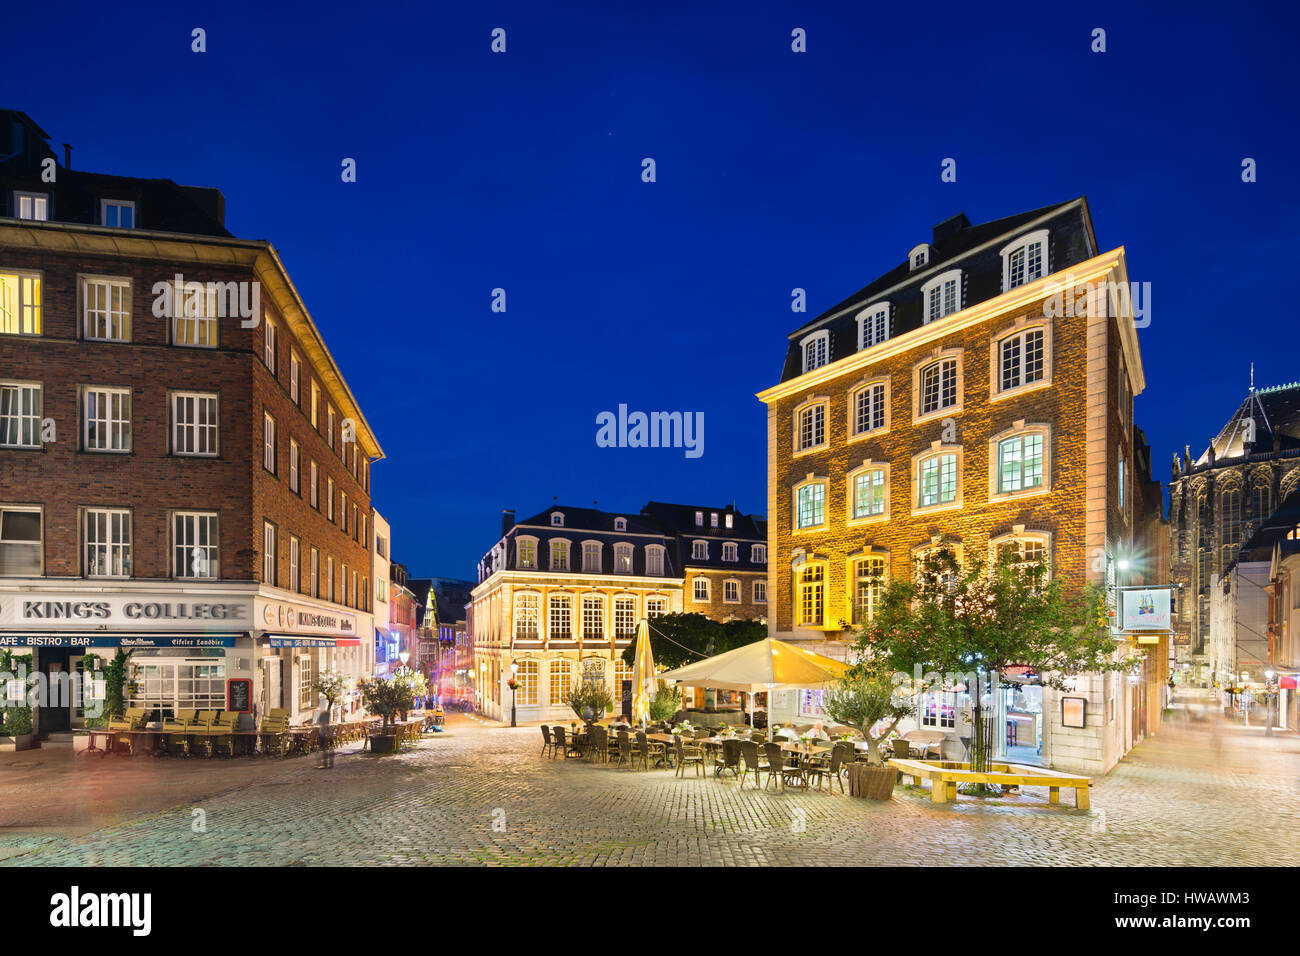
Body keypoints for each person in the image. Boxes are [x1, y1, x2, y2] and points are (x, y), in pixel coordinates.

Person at [315, 704, 334, 769]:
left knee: (323, 749)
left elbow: (318, 722)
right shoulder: (328, 718)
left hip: (323, 733)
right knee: (330, 748)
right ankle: (330, 763)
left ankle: (325, 764)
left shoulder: (322, 718)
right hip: (329, 733)